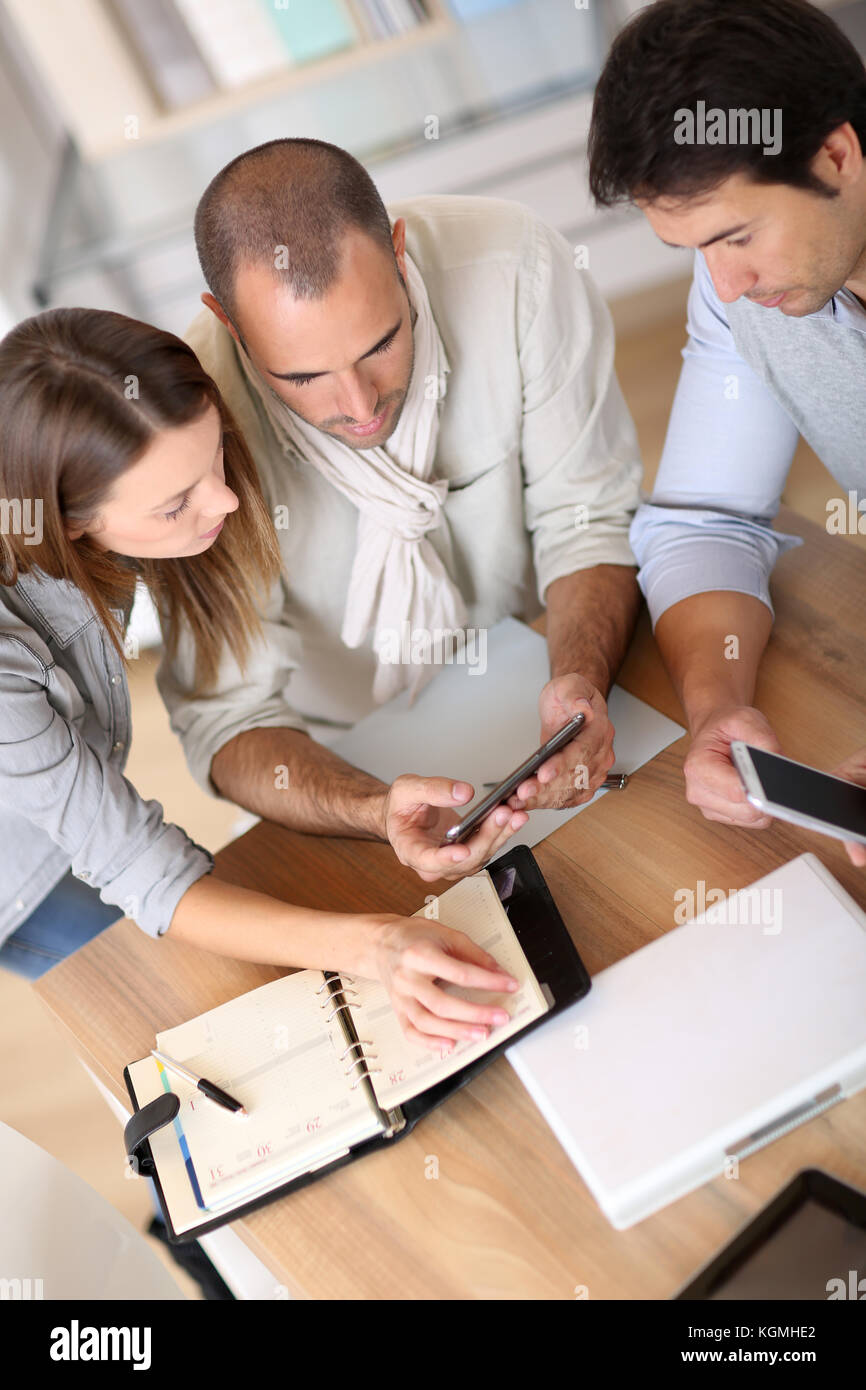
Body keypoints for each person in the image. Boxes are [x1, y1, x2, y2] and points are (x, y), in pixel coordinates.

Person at [0, 307, 521, 1055]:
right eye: (176, 505)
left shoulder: (59, 478)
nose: (227, 502)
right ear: (69, 520)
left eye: (213, 461)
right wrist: (377, 946)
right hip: (14, 875)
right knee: (186, 1026)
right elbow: (145, 874)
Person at [159, 137, 644, 884]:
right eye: (303, 375)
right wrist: (372, 808)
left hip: (540, 669)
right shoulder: (191, 439)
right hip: (338, 763)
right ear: (226, 323)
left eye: (381, 343)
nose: (358, 407)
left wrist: (580, 680)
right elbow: (230, 720)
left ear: (397, 248)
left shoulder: (518, 270)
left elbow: (588, 520)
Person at [587, 0, 866, 866]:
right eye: (694, 248)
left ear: (837, 155)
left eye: (739, 235)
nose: (727, 285)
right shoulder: (748, 291)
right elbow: (704, 521)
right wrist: (717, 709)